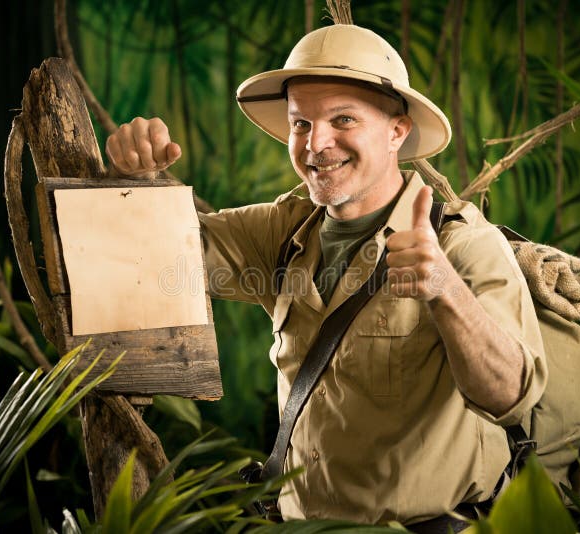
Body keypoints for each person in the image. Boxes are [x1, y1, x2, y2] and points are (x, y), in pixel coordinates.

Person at [105, 23, 546, 531]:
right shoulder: (283, 232)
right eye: (300, 124)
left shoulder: (461, 246)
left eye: (343, 119)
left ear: (397, 132)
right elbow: (154, 257)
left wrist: (444, 289)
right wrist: (137, 180)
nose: (317, 144)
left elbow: (512, 396)